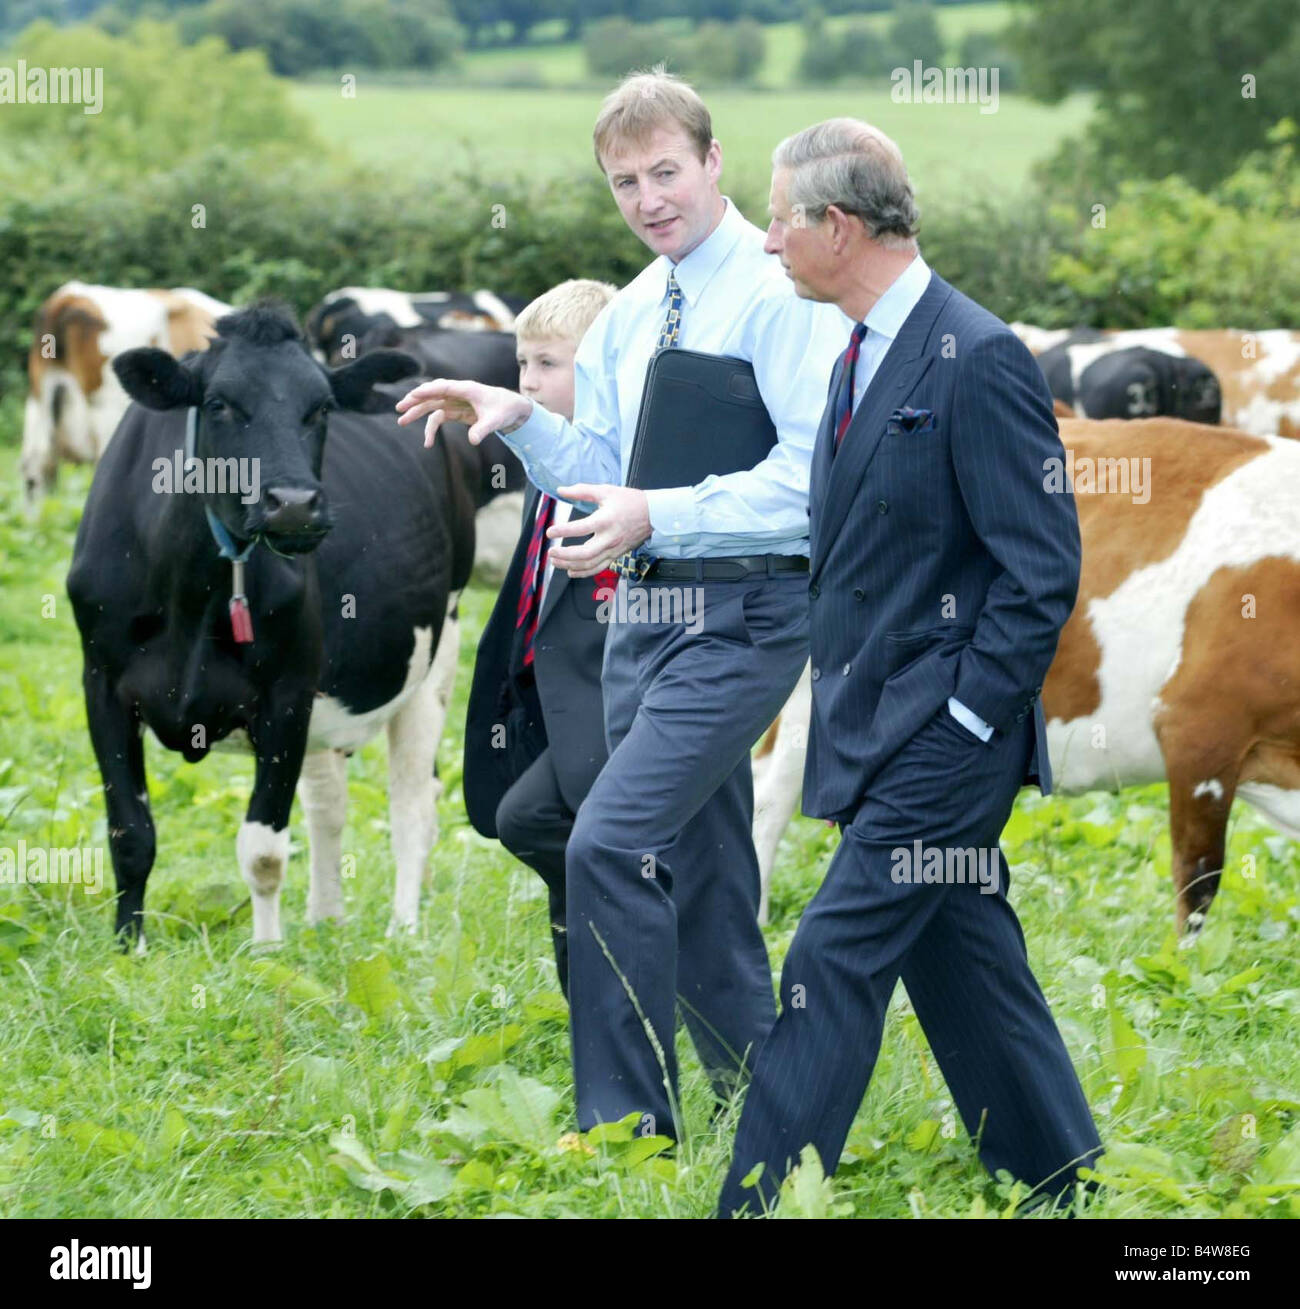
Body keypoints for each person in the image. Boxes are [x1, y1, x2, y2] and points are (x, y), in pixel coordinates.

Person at [397, 70, 849, 1140]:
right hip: (640, 624)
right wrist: (522, 419)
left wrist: (660, 513)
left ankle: (627, 1126)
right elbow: (603, 470)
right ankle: (764, 1095)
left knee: (607, 843)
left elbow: (810, 480)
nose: (648, 199)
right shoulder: (632, 312)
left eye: (665, 172)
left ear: (713, 162)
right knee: (707, 870)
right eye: (624, 182)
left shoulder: (782, 294)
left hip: (746, 613)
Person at [716, 118, 1104, 1217]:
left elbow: (1041, 569)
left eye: (780, 220)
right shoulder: (856, 350)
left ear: (837, 226)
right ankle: (1060, 1175)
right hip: (874, 727)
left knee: (829, 957)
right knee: (961, 950)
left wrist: (971, 719)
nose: (768, 242)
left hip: (943, 738)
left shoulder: (978, 355)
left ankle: (757, 1203)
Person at [463, 278, 618, 998]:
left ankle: (648, 913)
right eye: (522, 364)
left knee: (530, 818)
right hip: (543, 696)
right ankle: (587, 1005)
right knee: (561, 859)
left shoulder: (620, 470)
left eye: (549, 364)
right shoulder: (543, 467)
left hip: (605, 702)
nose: (527, 381)